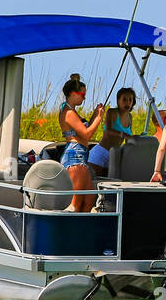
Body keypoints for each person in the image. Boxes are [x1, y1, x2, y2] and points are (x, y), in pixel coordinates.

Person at [58, 75, 104, 212]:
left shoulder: (72, 112)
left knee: (88, 200)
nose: (84, 98)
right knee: (76, 204)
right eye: (82, 95)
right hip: (75, 157)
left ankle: (82, 224)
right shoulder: (68, 113)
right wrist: (99, 118)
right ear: (73, 94)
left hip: (80, 157)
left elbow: (84, 129)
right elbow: (87, 134)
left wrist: (95, 114)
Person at [90, 87, 136, 178]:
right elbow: (108, 131)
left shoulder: (130, 117)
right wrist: (123, 134)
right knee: (96, 181)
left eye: (130, 100)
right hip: (101, 152)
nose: (127, 103)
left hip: (114, 155)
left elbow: (128, 139)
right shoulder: (112, 112)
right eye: (124, 100)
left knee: (109, 182)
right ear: (118, 101)